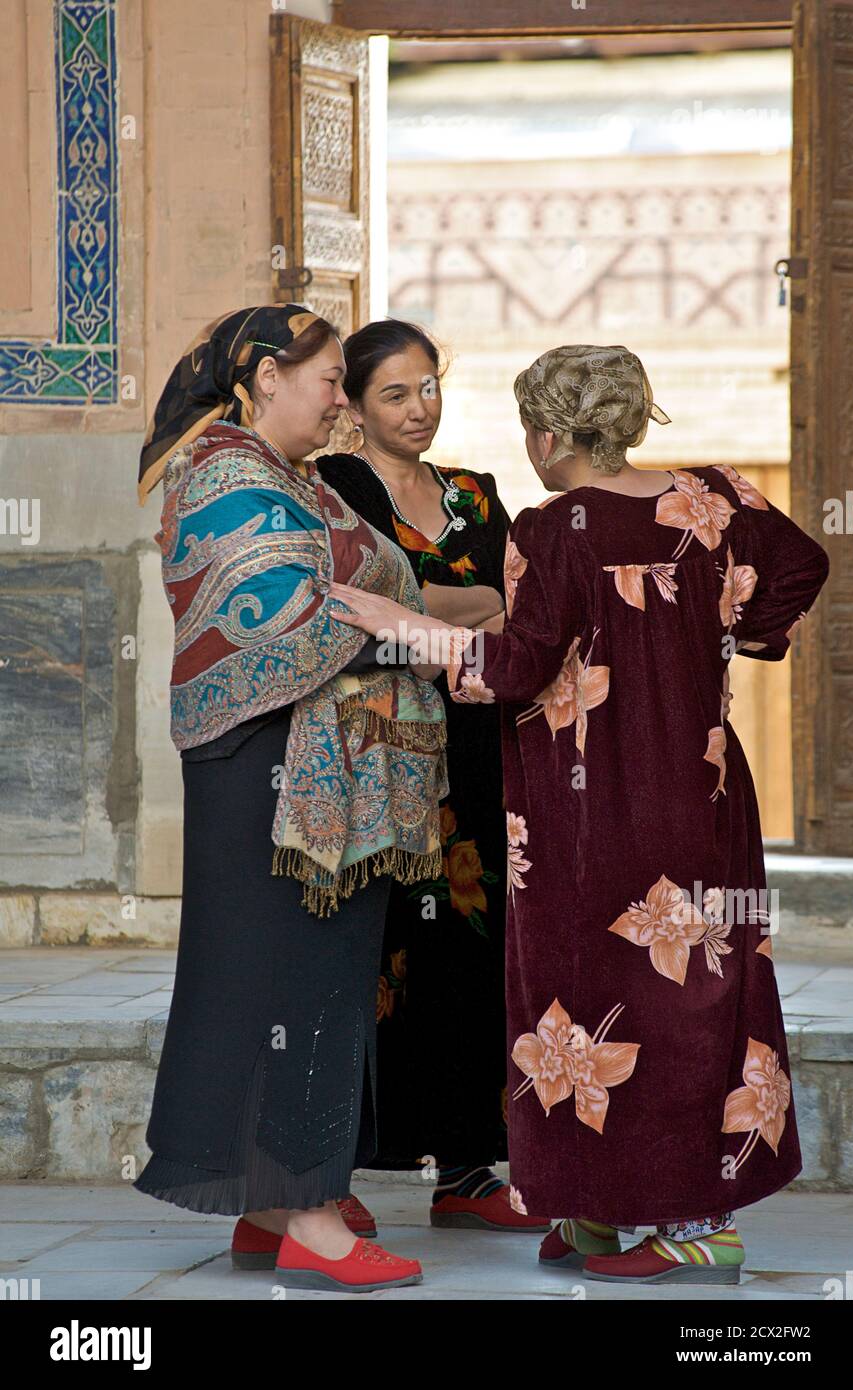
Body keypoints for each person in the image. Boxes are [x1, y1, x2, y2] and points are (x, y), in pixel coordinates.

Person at [328, 343, 830, 1285]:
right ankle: (606, 1212)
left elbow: (515, 667)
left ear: (549, 434)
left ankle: (689, 1226)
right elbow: (801, 566)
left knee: (588, 1004)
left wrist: (401, 627)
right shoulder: (713, 496)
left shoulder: (554, 526)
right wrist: (732, 626)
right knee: (698, 1001)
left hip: (588, 815)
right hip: (706, 797)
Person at [132, 304, 450, 1294]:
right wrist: (412, 627)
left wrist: (396, 610)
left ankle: (272, 1205)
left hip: (318, 772)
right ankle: (314, 1214)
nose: (341, 403)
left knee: (288, 982)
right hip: (268, 773)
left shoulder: (293, 478)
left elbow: (373, 585)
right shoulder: (225, 472)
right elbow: (297, 612)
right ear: (266, 376)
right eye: (327, 382)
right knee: (296, 980)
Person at [316, 319, 547, 1233]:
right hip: (377, 745)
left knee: (473, 947)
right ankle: (330, 1174)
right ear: (356, 409)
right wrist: (443, 601)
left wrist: (414, 598)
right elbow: (360, 601)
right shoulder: (335, 486)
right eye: (395, 394)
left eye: (430, 388)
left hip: (476, 744)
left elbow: (505, 599)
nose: (421, 409)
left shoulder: (474, 490)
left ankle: (468, 1171)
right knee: (369, 954)